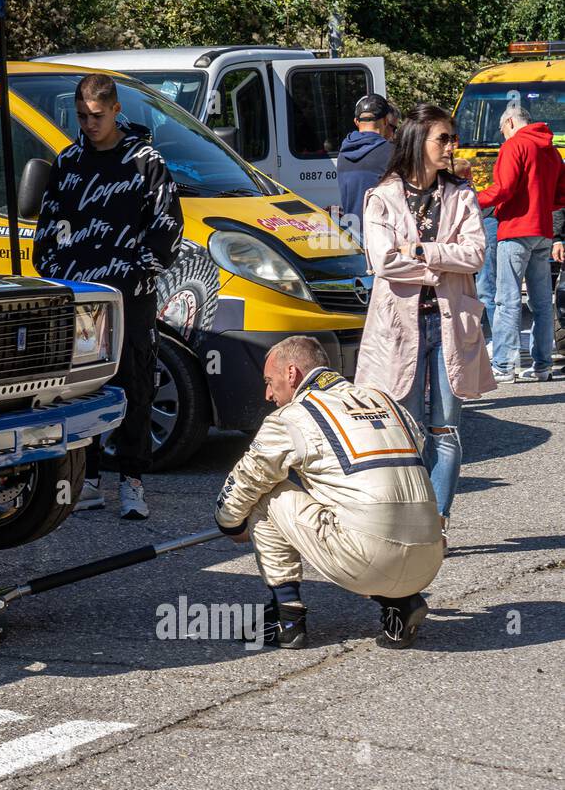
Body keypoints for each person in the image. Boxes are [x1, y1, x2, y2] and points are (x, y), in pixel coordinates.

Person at [215, 336, 444, 650]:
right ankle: (401, 604)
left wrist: (230, 523)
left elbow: (246, 481)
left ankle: (287, 619)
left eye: (270, 381)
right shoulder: (385, 400)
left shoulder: (293, 416)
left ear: (292, 374)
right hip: (429, 557)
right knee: (369, 502)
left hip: (367, 557)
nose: (268, 394)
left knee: (263, 494)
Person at [33, 73, 184, 519]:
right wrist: (56, 272)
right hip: (79, 299)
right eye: (81, 116)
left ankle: (133, 483)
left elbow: (168, 227)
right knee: (79, 390)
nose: (88, 124)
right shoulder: (67, 161)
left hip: (129, 298)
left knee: (135, 386)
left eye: (96, 116)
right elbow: (47, 225)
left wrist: (139, 274)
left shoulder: (146, 161)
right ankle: (89, 479)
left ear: (116, 110)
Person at [354, 103, 495, 542]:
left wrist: (421, 252)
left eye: (451, 138)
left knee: (447, 428)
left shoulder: (461, 194)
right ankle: (413, 523)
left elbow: (475, 254)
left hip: (451, 325)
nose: (452, 146)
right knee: (410, 431)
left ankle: (437, 524)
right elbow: (383, 262)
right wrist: (439, 262)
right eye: (444, 138)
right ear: (418, 141)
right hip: (402, 327)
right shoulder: (382, 196)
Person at [478, 103, 565, 381]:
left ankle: (503, 366)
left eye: (503, 129)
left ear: (511, 123)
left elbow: (503, 188)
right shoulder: (551, 150)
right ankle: (542, 366)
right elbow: (561, 195)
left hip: (515, 229)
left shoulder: (514, 146)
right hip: (542, 231)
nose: (503, 135)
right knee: (541, 302)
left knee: (507, 300)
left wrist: (472, 199)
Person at [337, 94, 397, 236]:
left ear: (356, 122)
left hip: (353, 235)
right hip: (381, 237)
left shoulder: (343, 153)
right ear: (385, 120)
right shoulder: (391, 152)